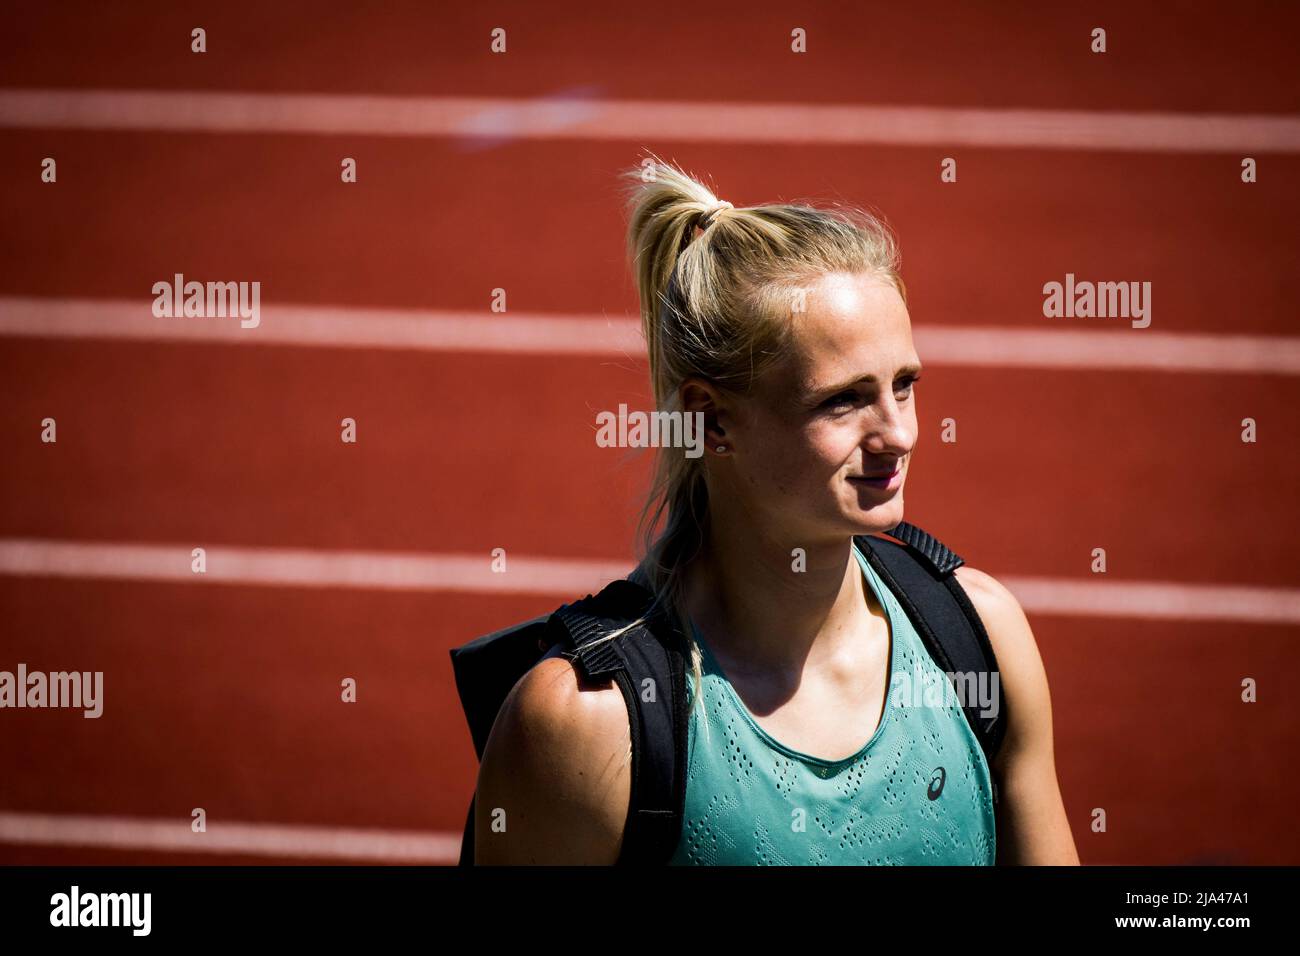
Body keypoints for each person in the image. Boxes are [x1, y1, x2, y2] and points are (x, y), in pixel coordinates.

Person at [472, 155, 1079, 865]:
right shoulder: (586, 725)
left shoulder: (979, 637)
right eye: (844, 399)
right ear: (711, 420)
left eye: (905, 384)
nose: (900, 434)